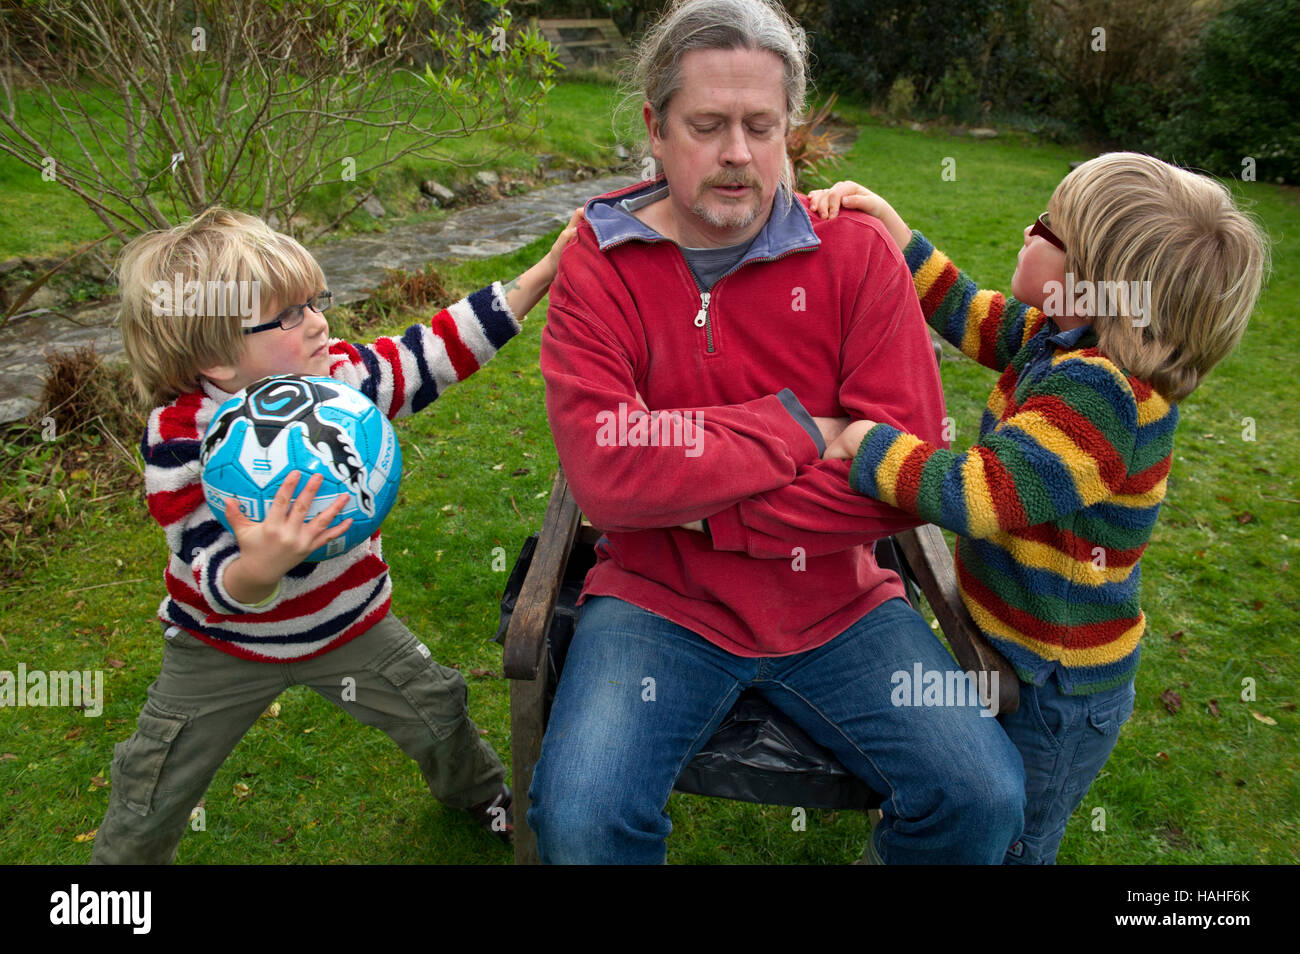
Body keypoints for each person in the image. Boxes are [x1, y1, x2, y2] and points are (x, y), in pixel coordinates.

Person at [531, 0, 1025, 865]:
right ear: (655, 127)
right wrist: (800, 425)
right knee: (581, 818)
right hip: (658, 601)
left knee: (981, 799)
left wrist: (699, 505)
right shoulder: (597, 262)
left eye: (761, 126)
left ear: (788, 129)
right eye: (708, 124)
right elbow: (609, 477)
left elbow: (900, 469)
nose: (736, 153)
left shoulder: (859, 255)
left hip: (839, 605)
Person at [811, 153, 1269, 863]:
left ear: (1094, 278)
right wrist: (899, 236)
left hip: (1054, 690)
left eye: (1049, 225)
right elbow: (970, 312)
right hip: (1006, 646)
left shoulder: (1101, 398)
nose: (1029, 228)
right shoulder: (1065, 337)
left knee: (1012, 842)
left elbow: (979, 495)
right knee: (968, 807)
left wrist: (868, 447)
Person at [91, 205, 582, 863]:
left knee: (437, 714)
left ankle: (482, 793)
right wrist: (256, 570)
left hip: (351, 624)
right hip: (221, 646)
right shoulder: (182, 440)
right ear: (215, 355)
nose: (320, 322)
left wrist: (545, 271)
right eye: (289, 315)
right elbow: (209, 570)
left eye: (314, 302)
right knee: (153, 779)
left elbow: (429, 354)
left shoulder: (338, 383)